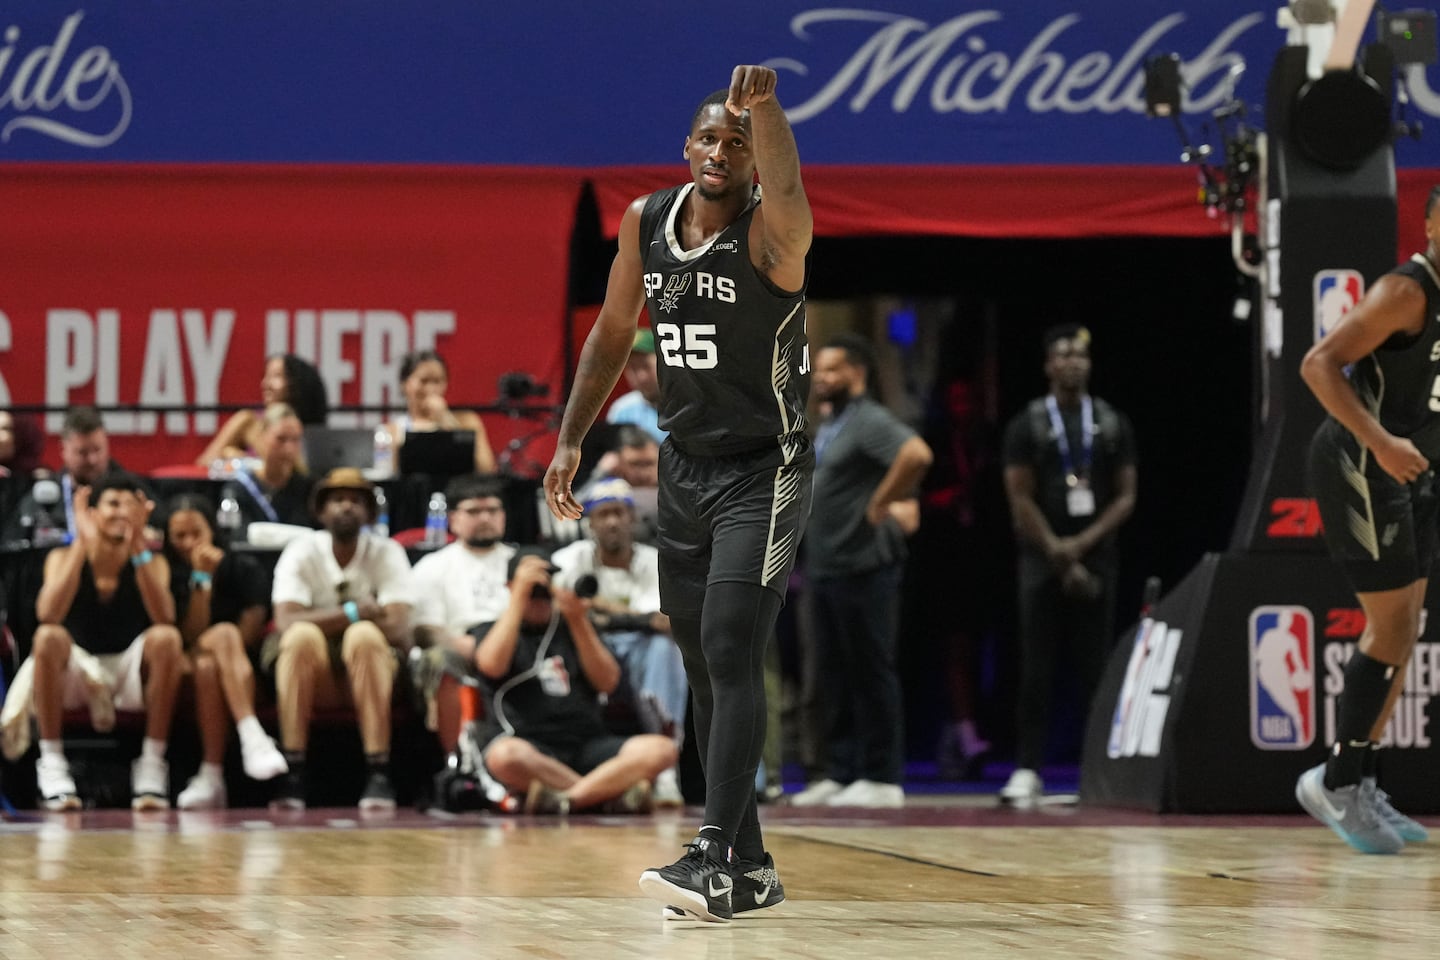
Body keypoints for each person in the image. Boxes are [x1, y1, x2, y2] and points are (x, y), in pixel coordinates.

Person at [544, 64, 812, 922]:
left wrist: (763, 110)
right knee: (702, 661)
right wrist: (572, 437)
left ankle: (709, 854)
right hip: (686, 467)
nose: (722, 152)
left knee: (733, 645)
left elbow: (790, 178)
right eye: (710, 138)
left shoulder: (775, 233)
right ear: (685, 148)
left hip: (763, 467)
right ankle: (753, 862)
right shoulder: (645, 220)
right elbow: (614, 331)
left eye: (737, 143)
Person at [1292, 185, 1440, 854]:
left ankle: (1364, 779)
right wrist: (1380, 440)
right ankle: (1337, 780)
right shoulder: (1406, 292)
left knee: (1409, 627)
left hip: (1413, 469)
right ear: (1433, 224)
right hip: (1361, 461)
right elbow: (1318, 365)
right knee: (1391, 625)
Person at [788, 335, 932, 809]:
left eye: (831, 370)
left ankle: (883, 774)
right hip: (826, 567)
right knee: (829, 675)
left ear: (857, 374)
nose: (821, 378)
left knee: (871, 670)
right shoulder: (830, 423)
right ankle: (838, 770)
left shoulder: (870, 420)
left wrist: (882, 500)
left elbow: (916, 455)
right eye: (820, 370)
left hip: (866, 565)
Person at [1000, 324, 1137, 806]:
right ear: (1048, 366)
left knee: (1095, 666)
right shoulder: (1029, 424)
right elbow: (1019, 497)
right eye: (1063, 355)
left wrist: (1080, 546)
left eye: (1080, 354)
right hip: (1041, 559)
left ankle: (1099, 767)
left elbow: (1125, 497)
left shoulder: (1110, 422)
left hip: (1096, 556)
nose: (1073, 362)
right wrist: (1058, 551)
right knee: (1036, 668)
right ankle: (1028, 768)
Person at [469, 546, 676, 815]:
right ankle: (604, 796)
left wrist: (578, 620)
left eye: (547, 582)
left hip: (587, 743)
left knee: (662, 749)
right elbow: (491, 665)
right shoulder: (492, 629)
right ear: (509, 586)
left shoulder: (574, 626)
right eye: (533, 585)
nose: (541, 594)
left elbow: (608, 682)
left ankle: (568, 800)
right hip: (531, 746)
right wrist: (519, 598)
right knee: (503, 756)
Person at [264, 467, 417, 811]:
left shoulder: (387, 551)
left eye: (354, 501)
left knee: (364, 637)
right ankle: (294, 770)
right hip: (314, 674)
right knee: (302, 636)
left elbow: (399, 626)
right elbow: (286, 621)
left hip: (367, 675)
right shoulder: (301, 550)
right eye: (337, 500)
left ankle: (379, 770)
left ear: (368, 512)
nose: (346, 507)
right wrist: (352, 612)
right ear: (320, 510)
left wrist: (348, 622)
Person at [28, 473, 183, 810]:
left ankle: (152, 765)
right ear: (93, 513)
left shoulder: (152, 560)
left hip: (128, 670)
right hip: (78, 669)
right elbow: (48, 613)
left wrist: (139, 545)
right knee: (47, 637)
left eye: (131, 505)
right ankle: (52, 762)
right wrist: (81, 544)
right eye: (113, 504)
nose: (122, 512)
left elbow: (165, 616)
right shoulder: (62, 556)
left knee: (167, 639)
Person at [550, 477, 687, 807]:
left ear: (633, 519)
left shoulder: (656, 560)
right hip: (591, 651)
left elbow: (668, 621)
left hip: (644, 654)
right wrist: (635, 617)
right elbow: (558, 605)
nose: (612, 522)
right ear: (590, 523)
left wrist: (600, 609)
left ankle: (666, 774)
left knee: (665, 647)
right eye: (604, 514)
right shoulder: (572, 558)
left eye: (620, 513)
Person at [162, 494, 289, 809]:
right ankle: (252, 735)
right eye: (180, 536)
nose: (189, 543)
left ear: (213, 532)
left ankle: (211, 775)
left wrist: (223, 648)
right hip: (182, 663)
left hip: (238, 667)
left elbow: (248, 637)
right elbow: (189, 635)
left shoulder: (244, 568)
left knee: (215, 657)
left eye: (197, 533)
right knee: (220, 637)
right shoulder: (164, 572)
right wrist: (201, 579)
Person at [409, 473, 517, 751]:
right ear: (453, 519)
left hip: (516, 649)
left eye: (492, 510)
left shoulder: (522, 562)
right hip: (460, 651)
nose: (484, 518)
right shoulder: (432, 566)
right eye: (474, 511)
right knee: (440, 660)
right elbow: (426, 631)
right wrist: (479, 649)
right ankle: (456, 762)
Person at [3, 405, 150, 544]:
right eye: (82, 452)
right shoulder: (43, 495)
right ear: (64, 450)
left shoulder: (132, 489)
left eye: (97, 450)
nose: (92, 460)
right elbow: (14, 541)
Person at [379, 350, 497, 475]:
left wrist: (445, 419)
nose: (431, 388)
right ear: (405, 384)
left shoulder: (468, 421)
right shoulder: (392, 431)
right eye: (424, 381)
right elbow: (386, 475)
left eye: (437, 381)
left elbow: (486, 469)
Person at [196, 353, 328, 466]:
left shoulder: (312, 432)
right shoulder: (248, 421)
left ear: (297, 384)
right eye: (266, 376)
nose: (265, 384)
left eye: (276, 376)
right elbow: (204, 463)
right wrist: (239, 462)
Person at [226, 403, 316, 529]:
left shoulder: (311, 489)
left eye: (295, 439)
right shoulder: (240, 489)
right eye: (281, 439)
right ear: (262, 437)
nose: (289, 449)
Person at [605, 328, 667, 445]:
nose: (641, 376)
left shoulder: (686, 405)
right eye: (632, 368)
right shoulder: (622, 411)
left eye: (646, 366)